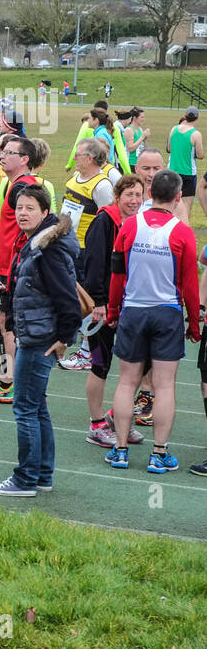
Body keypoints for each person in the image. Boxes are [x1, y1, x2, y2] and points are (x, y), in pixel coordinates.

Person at [0, 187, 81, 496]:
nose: (22, 213)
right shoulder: (37, 243)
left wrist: (65, 337)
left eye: (30, 208)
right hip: (37, 333)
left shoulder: (47, 248)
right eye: (19, 208)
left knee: (25, 407)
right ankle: (41, 474)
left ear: (44, 211)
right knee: (36, 407)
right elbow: (40, 288)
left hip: (40, 338)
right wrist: (8, 290)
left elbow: (67, 296)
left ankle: (25, 479)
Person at [105, 169, 201, 474]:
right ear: (177, 198)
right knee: (164, 385)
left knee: (126, 382)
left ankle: (120, 450)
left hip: (133, 310)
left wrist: (112, 311)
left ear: (149, 194)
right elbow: (190, 286)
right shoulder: (183, 232)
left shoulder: (129, 226)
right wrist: (194, 325)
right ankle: (159, 453)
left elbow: (117, 275)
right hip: (167, 313)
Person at [0, 133, 45, 404]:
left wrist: (12, 268)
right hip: (10, 266)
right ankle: (15, 380)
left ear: (25, 159)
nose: (3, 156)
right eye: (3, 151)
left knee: (9, 323)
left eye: (9, 152)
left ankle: (8, 381)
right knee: (8, 322)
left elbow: (31, 228)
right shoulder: (15, 184)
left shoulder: (21, 189)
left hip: (14, 268)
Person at [79, 173, 146, 448]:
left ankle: (117, 416)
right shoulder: (104, 221)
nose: (134, 200)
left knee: (141, 364)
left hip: (129, 305)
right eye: (129, 195)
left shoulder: (139, 223)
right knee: (100, 363)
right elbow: (93, 265)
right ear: (117, 197)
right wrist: (98, 303)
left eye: (138, 195)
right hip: (102, 309)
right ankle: (96, 425)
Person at [166, 107, 202, 223]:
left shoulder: (174, 129)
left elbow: (169, 148)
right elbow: (200, 155)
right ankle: (184, 233)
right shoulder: (196, 134)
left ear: (184, 115)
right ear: (197, 118)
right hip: (188, 173)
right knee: (186, 206)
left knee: (171, 203)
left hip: (172, 171)